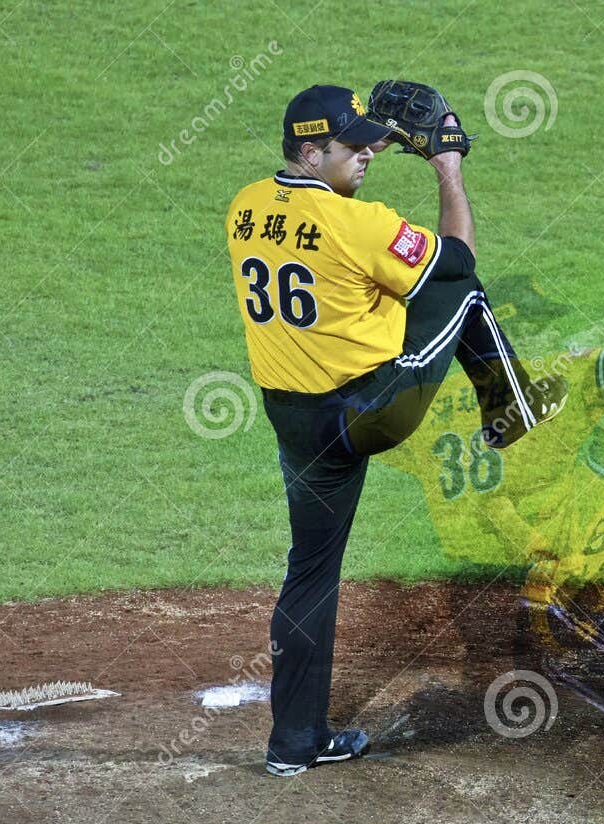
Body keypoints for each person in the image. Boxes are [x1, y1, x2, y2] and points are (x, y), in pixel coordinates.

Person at [224, 82, 561, 776]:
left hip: (292, 420)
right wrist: (446, 168)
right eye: (354, 143)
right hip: (370, 413)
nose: (371, 150)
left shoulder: (245, 207)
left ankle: (295, 744)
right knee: (462, 289)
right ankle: (512, 406)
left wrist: (376, 150)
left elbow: (328, 259)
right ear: (311, 151)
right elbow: (457, 261)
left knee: (310, 572)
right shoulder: (361, 225)